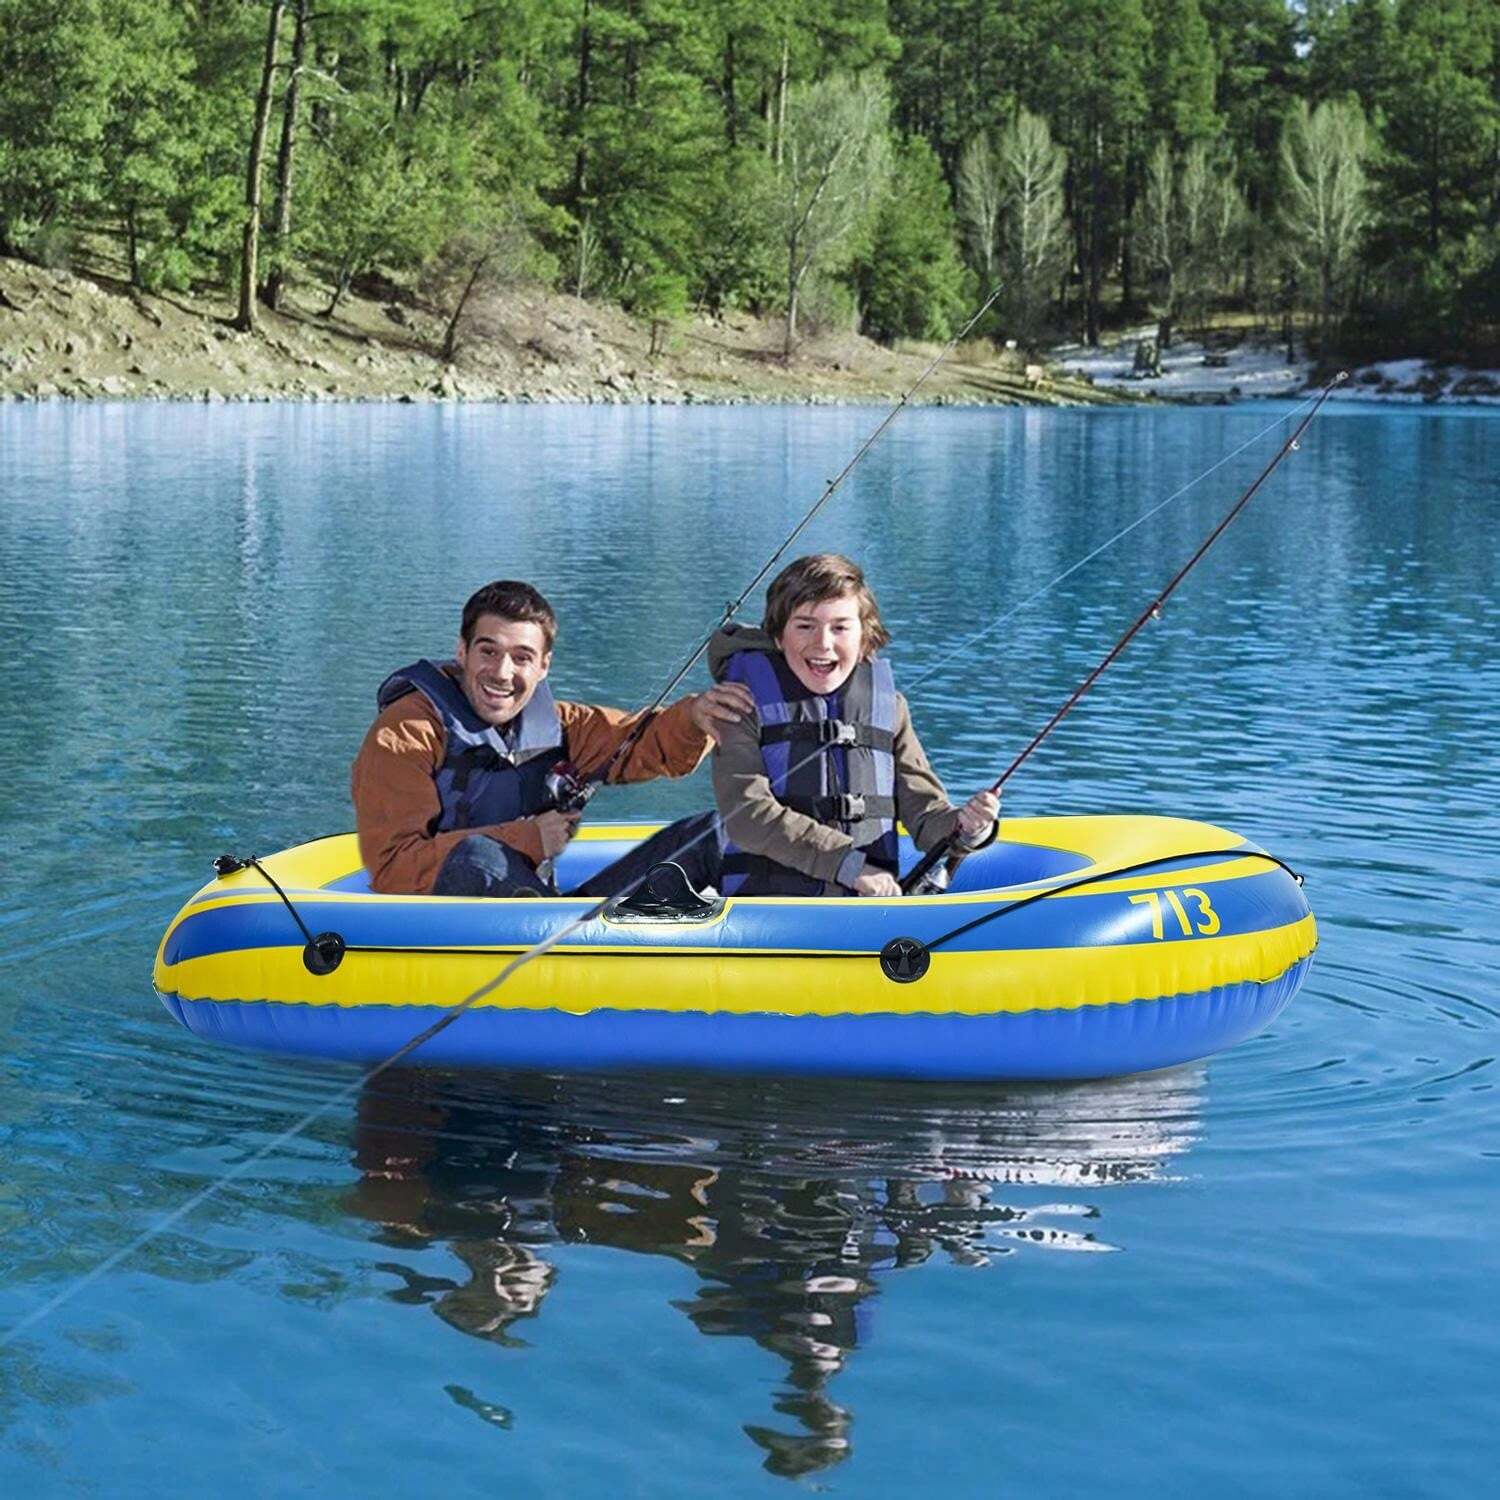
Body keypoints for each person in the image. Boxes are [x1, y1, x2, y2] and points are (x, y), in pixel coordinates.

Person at [351, 579, 752, 898]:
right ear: (462, 652)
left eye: (522, 657)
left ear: (543, 666)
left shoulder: (560, 724)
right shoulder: (405, 734)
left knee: (718, 831)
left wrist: (696, 717)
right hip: (454, 934)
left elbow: (642, 743)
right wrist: (529, 838)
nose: (502, 673)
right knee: (475, 857)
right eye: (488, 652)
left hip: (553, 920)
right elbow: (394, 868)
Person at [706, 554, 998, 897]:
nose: (823, 643)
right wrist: (848, 865)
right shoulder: (741, 703)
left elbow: (925, 814)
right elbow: (747, 815)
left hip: (866, 910)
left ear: (865, 637)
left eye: (840, 627)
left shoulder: (890, 708)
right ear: (779, 637)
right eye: (805, 626)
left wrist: (967, 828)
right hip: (771, 912)